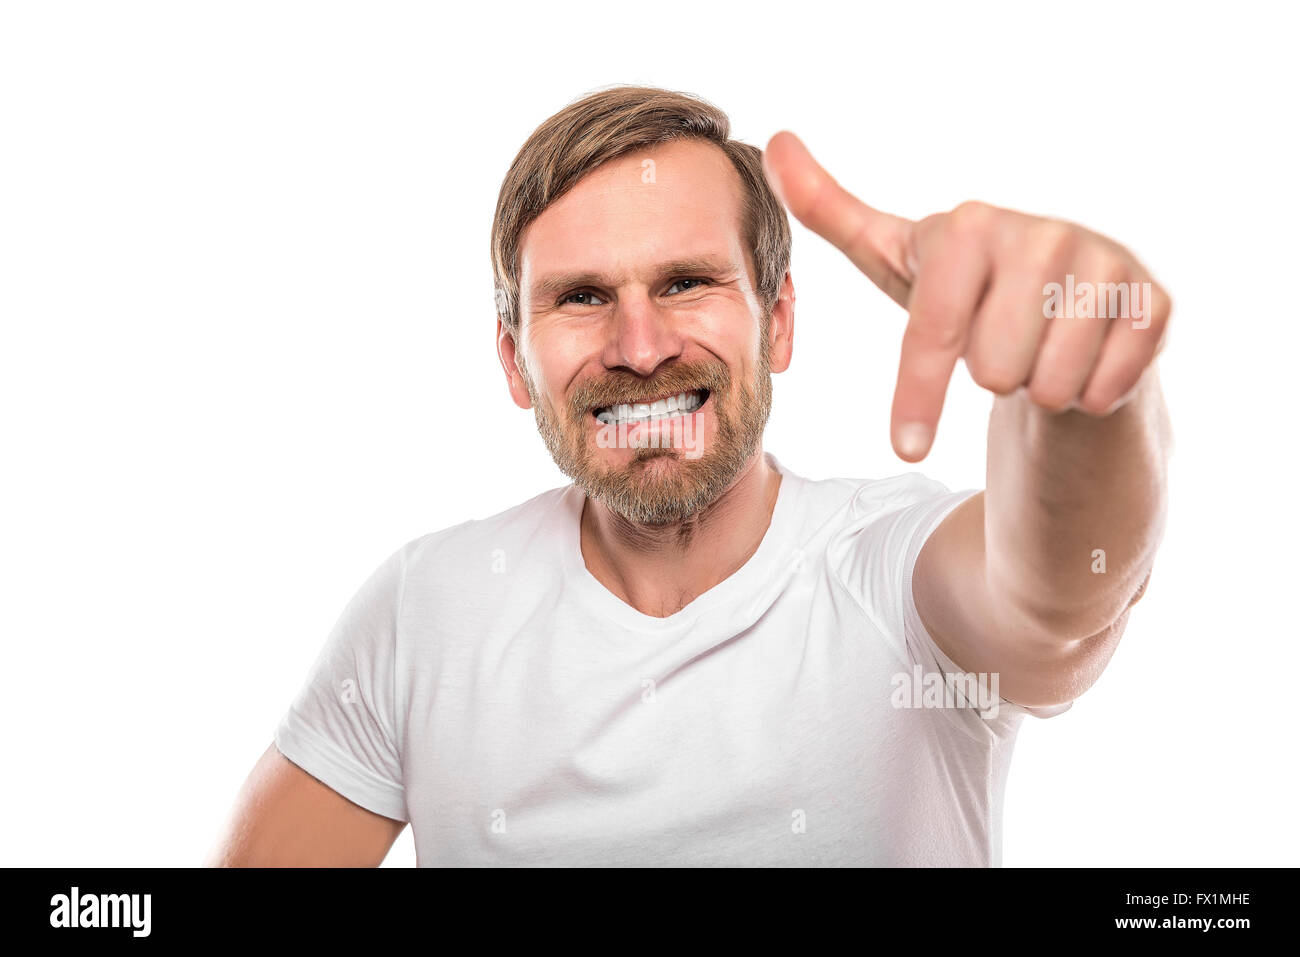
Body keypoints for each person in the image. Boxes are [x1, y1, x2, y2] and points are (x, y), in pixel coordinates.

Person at [208, 85, 1171, 866]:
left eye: (686, 282)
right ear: (512, 360)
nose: (640, 345)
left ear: (778, 321)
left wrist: (1086, 397)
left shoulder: (894, 577)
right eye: (583, 297)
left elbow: (1062, 601)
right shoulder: (429, 609)